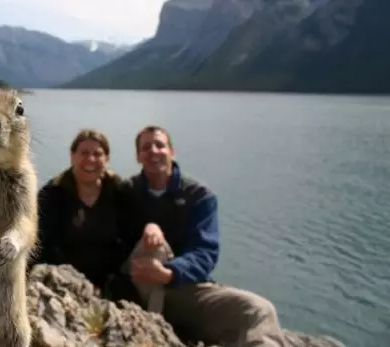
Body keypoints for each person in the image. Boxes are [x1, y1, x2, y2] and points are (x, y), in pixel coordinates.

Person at [118, 125, 289, 347]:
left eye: (160, 145)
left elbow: (205, 252)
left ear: (172, 152)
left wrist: (170, 272)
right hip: (135, 286)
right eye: (146, 147)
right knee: (152, 246)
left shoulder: (199, 196)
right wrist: (149, 227)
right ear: (138, 156)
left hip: (181, 290)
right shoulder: (125, 191)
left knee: (259, 310)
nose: (153, 151)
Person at [31, 129, 132, 296]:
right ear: (73, 156)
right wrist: (75, 282)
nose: (90, 159)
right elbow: (46, 245)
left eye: (97, 154)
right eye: (84, 153)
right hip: (64, 278)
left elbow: (131, 236)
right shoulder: (53, 193)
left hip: (111, 278)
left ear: (107, 159)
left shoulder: (119, 191)